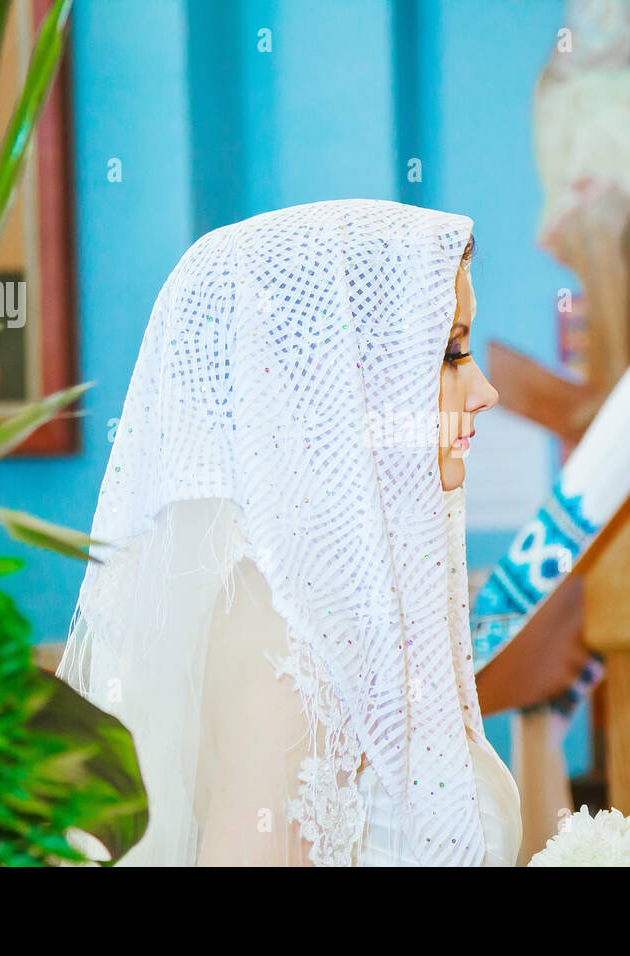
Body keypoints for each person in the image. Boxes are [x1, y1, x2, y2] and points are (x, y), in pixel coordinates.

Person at [58, 199, 521, 866]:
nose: (484, 391)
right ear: (347, 385)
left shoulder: (355, 598)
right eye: (450, 354)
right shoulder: (282, 634)